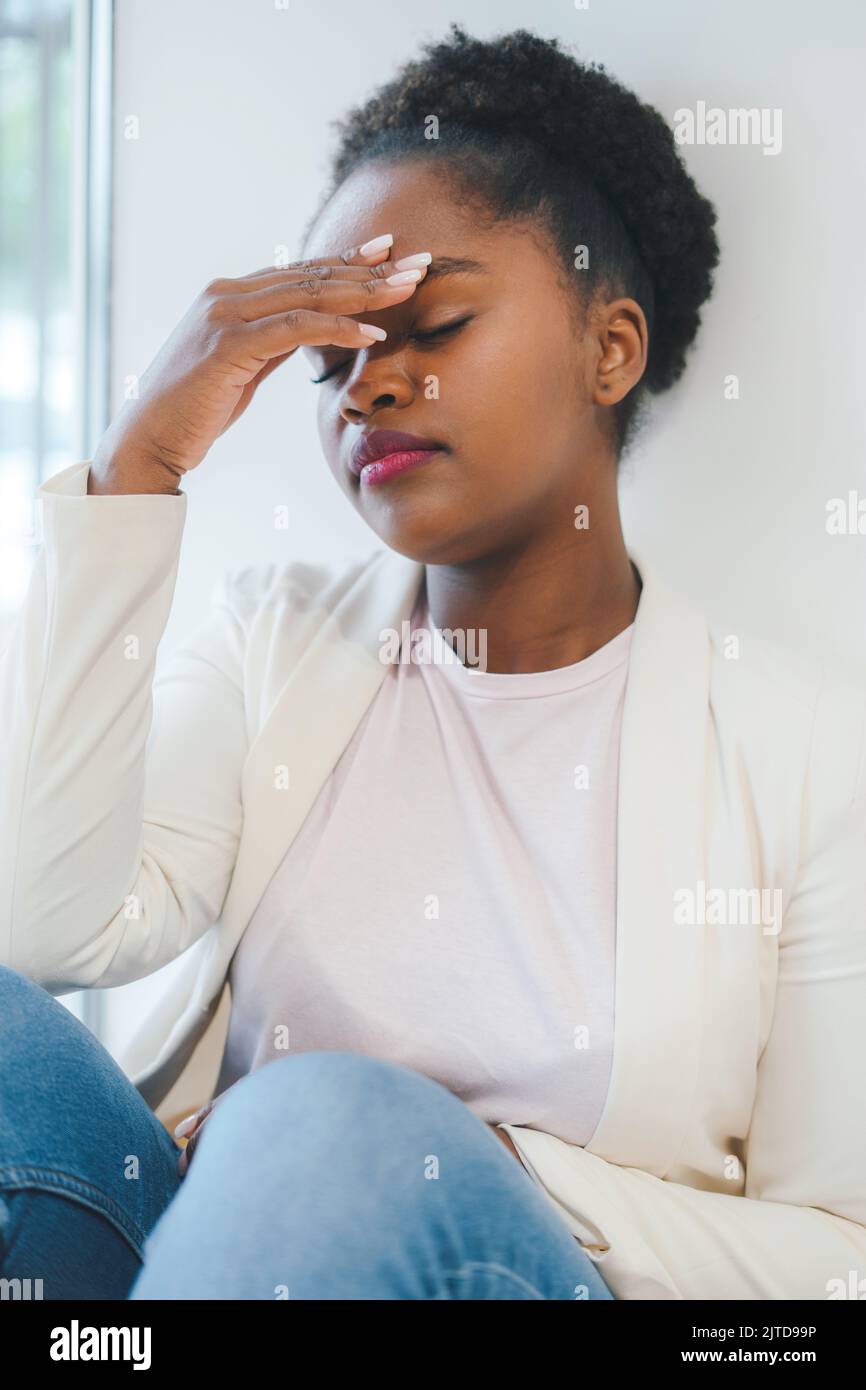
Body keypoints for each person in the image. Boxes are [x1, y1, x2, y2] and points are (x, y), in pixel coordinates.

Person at [1, 24, 864, 1302]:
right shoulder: (271, 639)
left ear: (607, 348)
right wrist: (139, 466)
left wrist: (464, 1158)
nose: (365, 390)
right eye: (330, 358)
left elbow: (841, 1256)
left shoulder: (807, 755)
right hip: (180, 1269)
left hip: (514, 1277)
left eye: (433, 325)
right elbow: (40, 923)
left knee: (325, 1130)